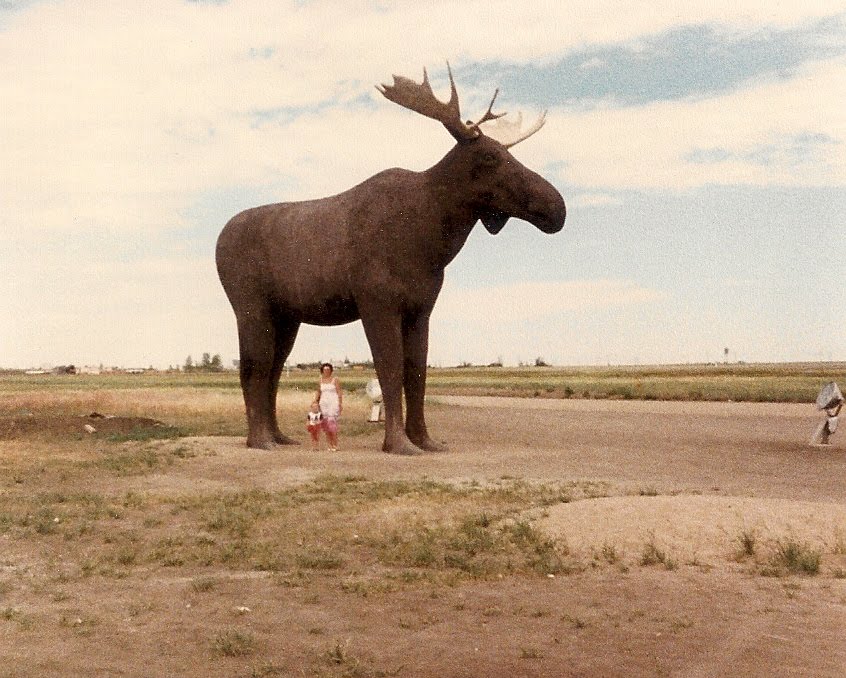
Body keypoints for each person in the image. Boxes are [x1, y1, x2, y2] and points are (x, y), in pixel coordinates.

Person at [315, 362, 342, 451]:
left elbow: (339, 392)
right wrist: (315, 401)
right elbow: (318, 391)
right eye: (325, 370)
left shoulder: (335, 380)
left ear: (331, 371)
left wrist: (340, 403)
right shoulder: (320, 380)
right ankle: (329, 444)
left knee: (332, 424)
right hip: (323, 403)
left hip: (333, 402)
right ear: (322, 371)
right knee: (325, 425)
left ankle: (335, 444)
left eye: (328, 370)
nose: (326, 371)